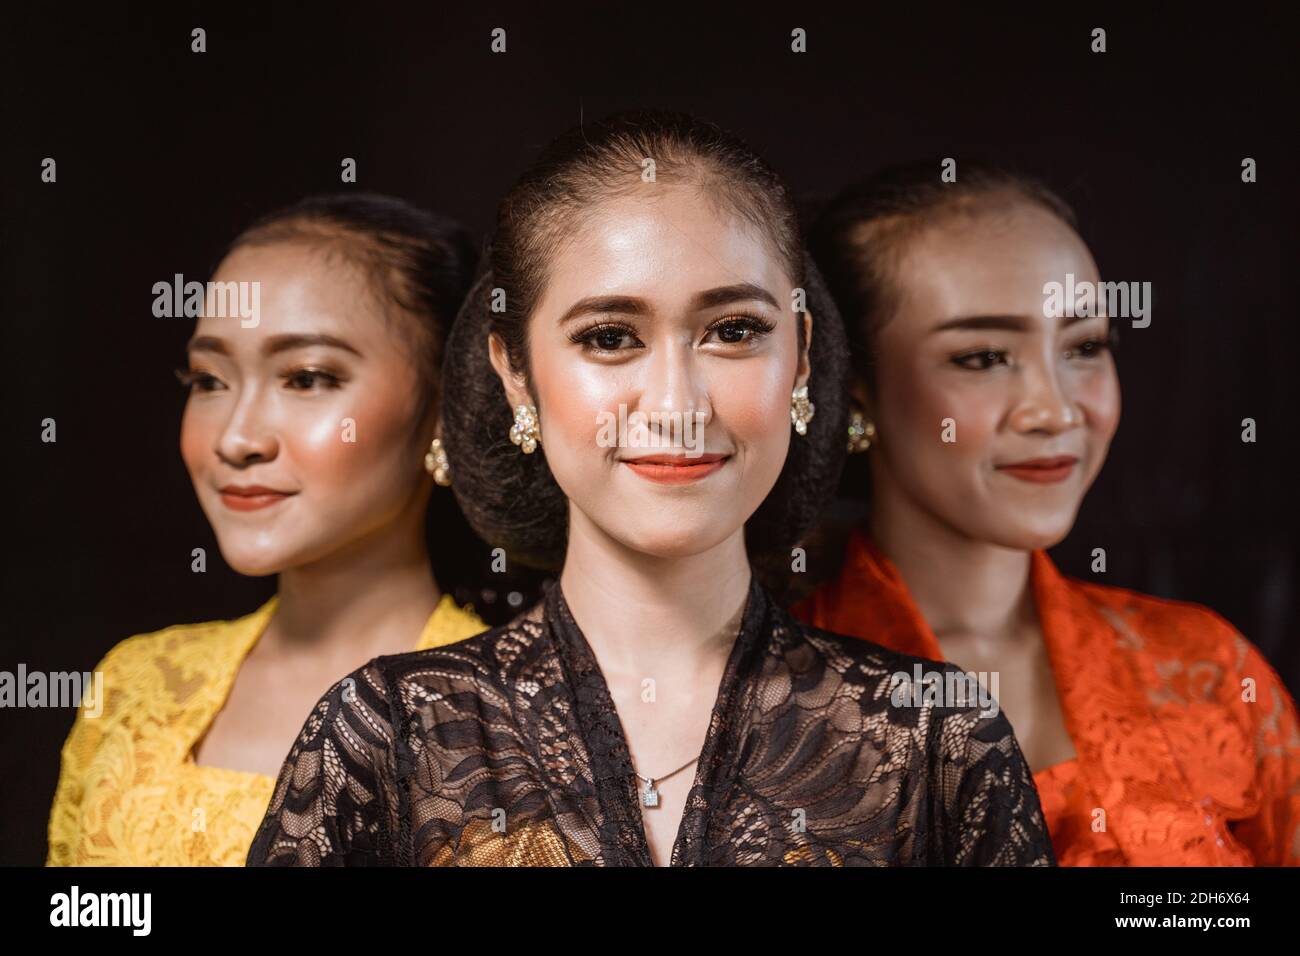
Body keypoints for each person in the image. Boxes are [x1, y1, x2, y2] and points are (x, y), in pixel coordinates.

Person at [246, 114, 1055, 867]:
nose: (676, 407)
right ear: (516, 376)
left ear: (801, 357)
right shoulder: (387, 731)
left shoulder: (939, 738)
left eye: (734, 331)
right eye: (609, 338)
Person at [793, 163, 1300, 865]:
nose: (1057, 409)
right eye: (983, 357)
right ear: (855, 396)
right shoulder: (760, 696)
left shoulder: (1209, 669)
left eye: (1084, 347)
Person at [47, 194, 486, 866]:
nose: (237, 438)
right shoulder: (137, 681)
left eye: (306, 377)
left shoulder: (499, 721)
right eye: (209, 379)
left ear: (442, 409)